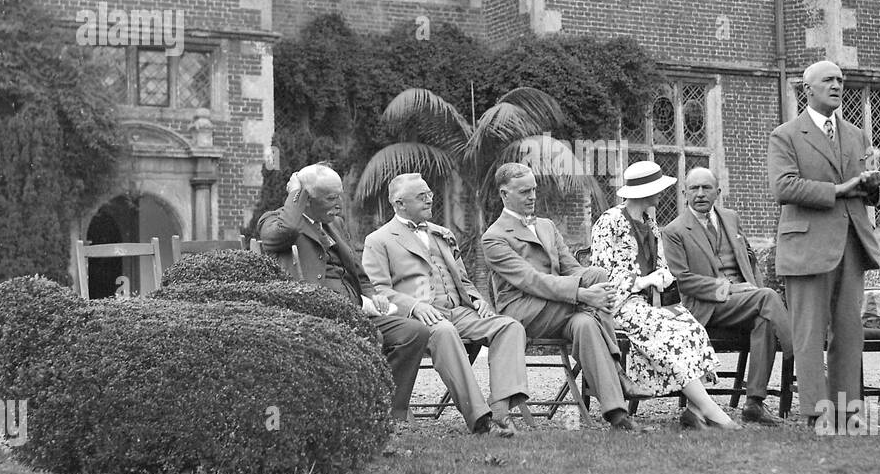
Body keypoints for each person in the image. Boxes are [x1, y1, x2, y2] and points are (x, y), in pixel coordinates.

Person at [256, 163, 431, 420]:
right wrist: (296, 190)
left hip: (357, 310)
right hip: (318, 315)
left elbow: (357, 269)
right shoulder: (274, 221)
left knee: (414, 332)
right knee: (370, 338)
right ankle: (355, 414)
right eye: (331, 197)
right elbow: (287, 231)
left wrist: (373, 294)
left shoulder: (334, 223)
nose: (339, 203)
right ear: (306, 200)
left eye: (339, 195)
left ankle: (387, 412)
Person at [362, 172, 529, 437]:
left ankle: (500, 407)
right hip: (420, 317)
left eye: (429, 194)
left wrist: (477, 301)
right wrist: (414, 306)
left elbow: (462, 278)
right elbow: (378, 290)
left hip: (458, 310)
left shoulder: (442, 234)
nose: (430, 199)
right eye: (421, 197)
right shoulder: (379, 240)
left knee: (509, 326)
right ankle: (481, 421)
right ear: (399, 203)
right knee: (444, 331)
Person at [482, 162, 642, 432]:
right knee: (590, 298)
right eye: (524, 192)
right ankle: (618, 371)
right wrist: (583, 295)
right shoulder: (494, 237)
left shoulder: (545, 226)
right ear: (504, 194)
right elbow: (532, 281)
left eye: (534, 189)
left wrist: (589, 288)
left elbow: (573, 269)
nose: (532, 196)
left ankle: (617, 415)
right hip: (524, 312)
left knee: (590, 311)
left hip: (562, 308)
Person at [768, 61, 880, 427]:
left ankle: (848, 410)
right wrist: (839, 190)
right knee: (809, 332)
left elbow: (870, 197)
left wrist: (872, 183)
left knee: (849, 330)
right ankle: (815, 412)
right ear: (808, 90)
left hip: (851, 243)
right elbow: (783, 187)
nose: (837, 85)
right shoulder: (786, 135)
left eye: (841, 80)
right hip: (806, 246)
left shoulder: (857, 135)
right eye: (828, 80)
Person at [589, 160, 737, 430]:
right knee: (669, 332)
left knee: (691, 326)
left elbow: (661, 265)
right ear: (645, 192)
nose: (662, 194)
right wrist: (643, 281)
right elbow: (602, 275)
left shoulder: (650, 222)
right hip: (617, 304)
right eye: (657, 189)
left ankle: (694, 412)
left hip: (649, 302)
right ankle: (712, 411)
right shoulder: (608, 222)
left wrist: (663, 276)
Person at [661, 167, 791, 425]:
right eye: (694, 189)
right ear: (684, 193)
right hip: (705, 308)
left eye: (706, 188)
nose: (700, 194)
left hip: (745, 301)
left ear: (718, 192)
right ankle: (798, 353)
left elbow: (750, 260)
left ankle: (754, 402)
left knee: (764, 319)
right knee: (766, 299)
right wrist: (730, 289)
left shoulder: (731, 218)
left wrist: (752, 286)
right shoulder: (674, 230)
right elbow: (684, 281)